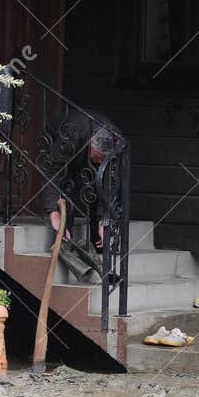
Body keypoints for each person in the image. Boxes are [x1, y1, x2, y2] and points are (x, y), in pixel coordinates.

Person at [36, 107, 124, 276]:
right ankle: (63, 237)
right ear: (91, 143)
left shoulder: (116, 140)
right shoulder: (71, 133)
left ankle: (95, 242)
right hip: (57, 140)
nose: (99, 163)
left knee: (95, 183)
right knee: (65, 185)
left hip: (82, 147)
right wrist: (53, 213)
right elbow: (52, 170)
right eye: (97, 158)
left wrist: (104, 221)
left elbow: (110, 183)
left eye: (103, 160)